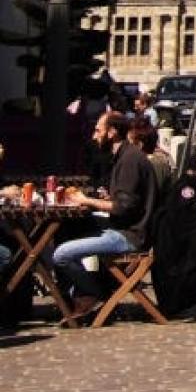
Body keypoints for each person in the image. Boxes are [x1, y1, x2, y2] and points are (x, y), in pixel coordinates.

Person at [52, 112, 160, 319]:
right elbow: (128, 200)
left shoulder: (129, 160)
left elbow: (121, 208)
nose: (94, 136)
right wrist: (107, 197)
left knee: (61, 255)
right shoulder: (124, 156)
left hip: (129, 236)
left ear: (112, 132)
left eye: (98, 131)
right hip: (123, 226)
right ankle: (76, 294)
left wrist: (86, 200)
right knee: (66, 227)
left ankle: (92, 292)